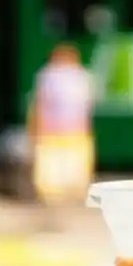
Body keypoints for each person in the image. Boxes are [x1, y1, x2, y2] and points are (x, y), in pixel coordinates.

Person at [29, 44, 95, 225]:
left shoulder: (80, 77)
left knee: (71, 168)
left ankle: (67, 201)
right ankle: (55, 206)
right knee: (54, 171)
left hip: (72, 130)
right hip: (55, 130)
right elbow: (41, 103)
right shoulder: (50, 76)